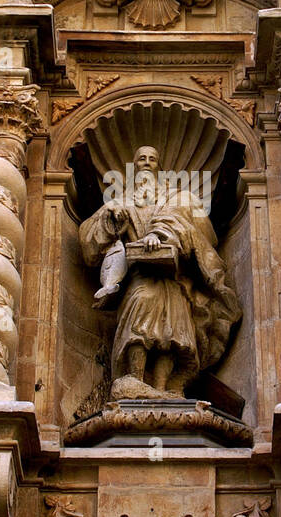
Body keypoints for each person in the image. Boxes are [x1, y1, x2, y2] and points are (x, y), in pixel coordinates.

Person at [79, 146, 240, 396]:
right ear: (133, 168)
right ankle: (135, 378)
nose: (146, 163)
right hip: (139, 277)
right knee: (139, 323)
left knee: (172, 334)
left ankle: (164, 389)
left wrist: (161, 234)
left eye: (152, 159)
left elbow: (199, 229)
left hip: (173, 279)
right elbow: (89, 241)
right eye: (141, 159)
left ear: (160, 168)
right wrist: (110, 220)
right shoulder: (120, 202)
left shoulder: (177, 198)